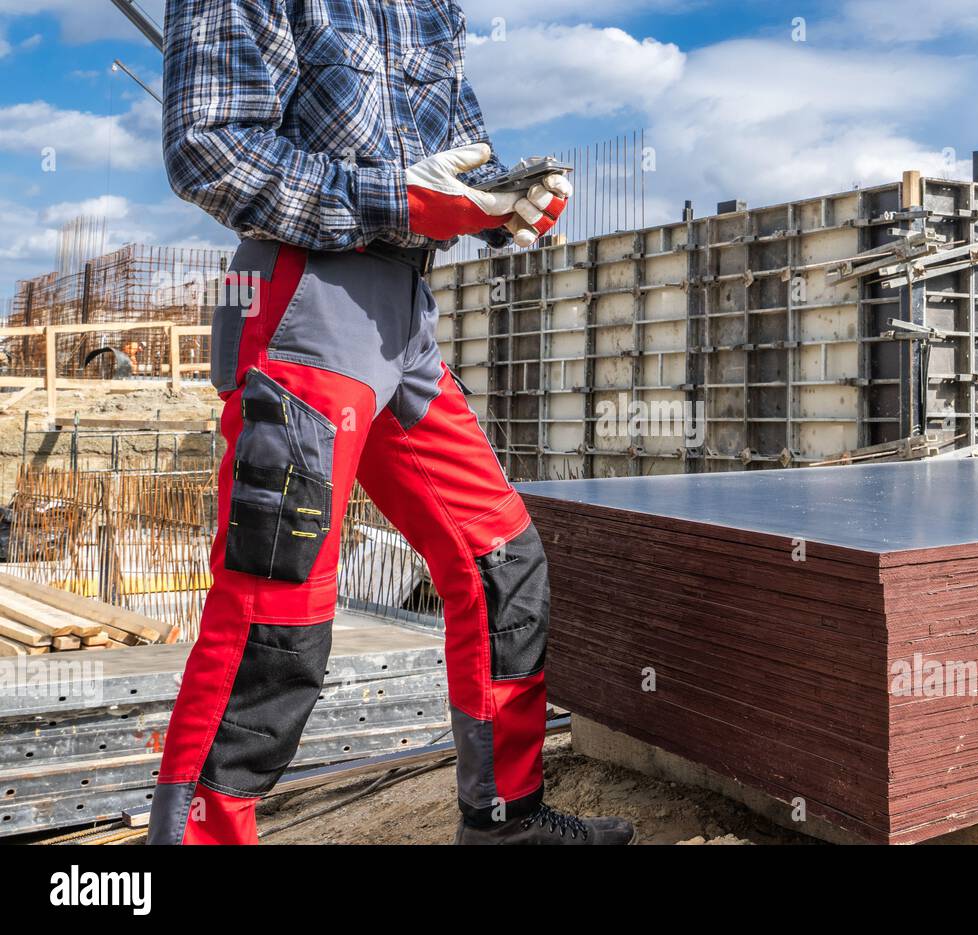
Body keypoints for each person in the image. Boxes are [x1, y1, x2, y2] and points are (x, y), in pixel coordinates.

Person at [147, 0, 634, 846]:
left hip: (404, 317)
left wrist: (499, 200)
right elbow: (209, 146)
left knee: (501, 559)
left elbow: (456, 146)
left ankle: (505, 823)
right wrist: (400, 202)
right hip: (303, 296)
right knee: (276, 596)